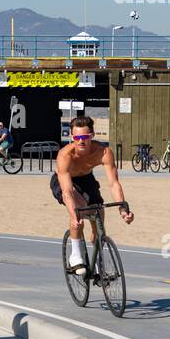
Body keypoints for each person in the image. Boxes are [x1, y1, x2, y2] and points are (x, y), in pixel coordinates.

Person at [52, 115, 133, 274]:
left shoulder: (103, 152)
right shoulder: (65, 156)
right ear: (72, 137)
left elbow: (114, 183)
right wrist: (74, 214)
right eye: (77, 137)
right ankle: (76, 256)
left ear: (92, 135)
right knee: (79, 209)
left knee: (98, 212)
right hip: (65, 181)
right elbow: (68, 192)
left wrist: (123, 210)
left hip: (86, 179)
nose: (81, 141)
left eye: (85, 137)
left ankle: (98, 257)